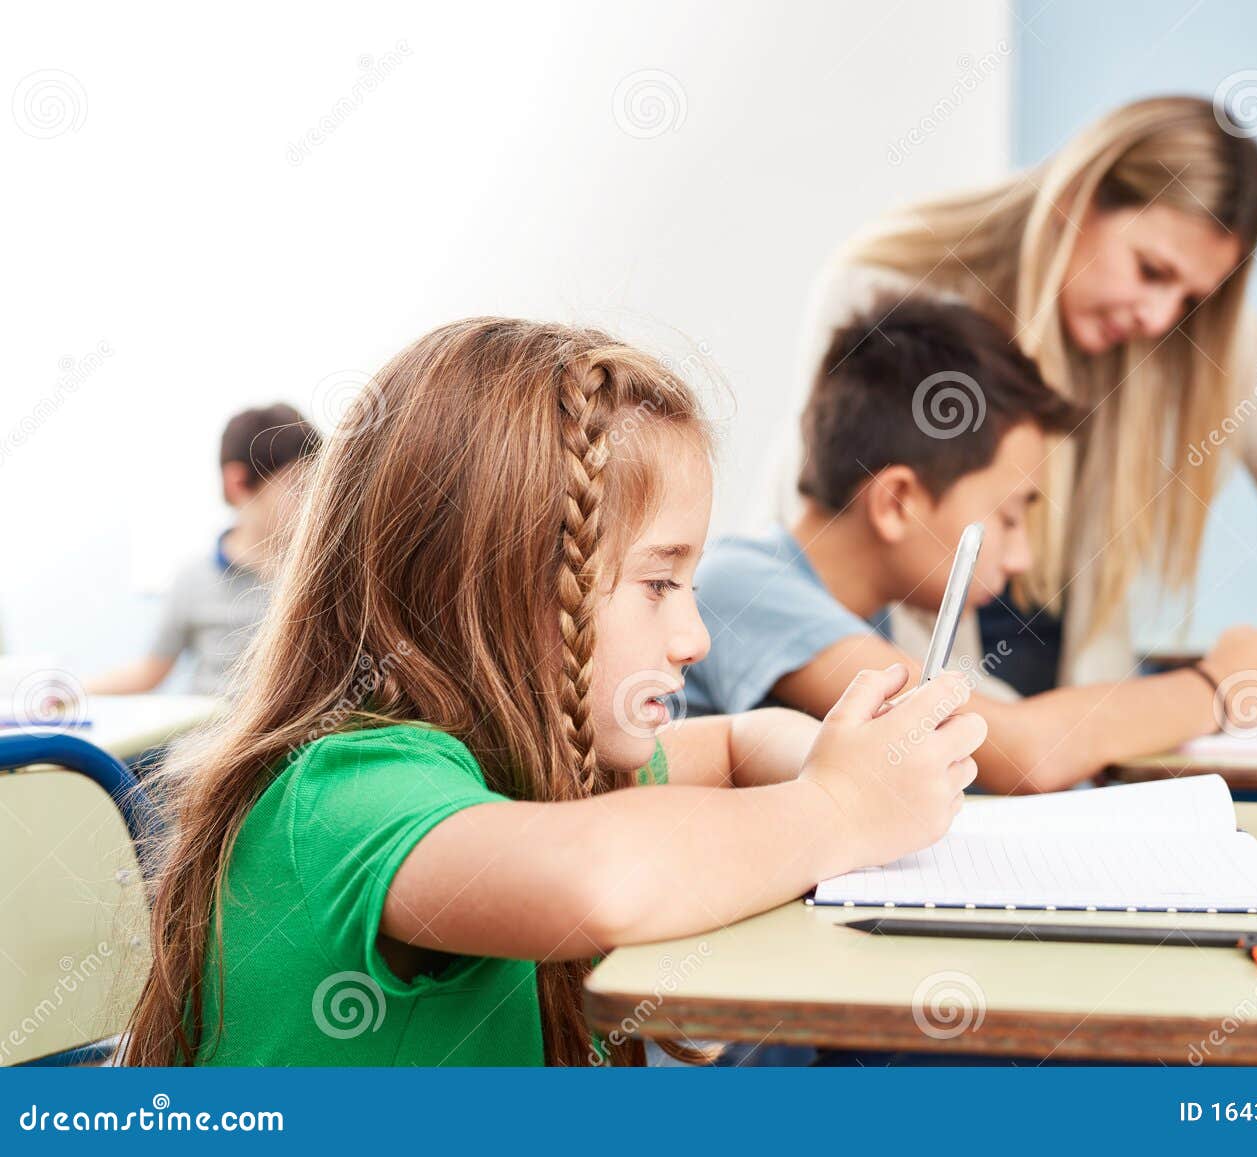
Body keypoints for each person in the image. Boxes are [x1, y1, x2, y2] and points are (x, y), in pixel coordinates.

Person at [122, 318, 984, 1066]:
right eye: (658, 583)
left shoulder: (528, 768)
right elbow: (598, 880)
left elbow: (734, 743)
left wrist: (842, 768)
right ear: (498, 589)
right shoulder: (347, 789)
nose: (695, 639)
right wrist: (839, 809)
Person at [779, 95, 1257, 701]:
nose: (1162, 317)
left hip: (1058, 699)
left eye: (1191, 299)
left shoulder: (1195, 328)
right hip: (892, 664)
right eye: (1151, 271)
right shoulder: (887, 288)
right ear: (1075, 199)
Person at [689, 297, 1257, 793]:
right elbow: (1021, 751)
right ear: (897, 502)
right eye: (1009, 518)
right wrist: (1221, 684)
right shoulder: (742, 588)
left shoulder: (863, 622)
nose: (1021, 560)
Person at [88, 404, 321, 696]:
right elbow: (149, 672)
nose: (314, 500)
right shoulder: (193, 578)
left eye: (319, 485)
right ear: (237, 483)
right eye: (299, 484)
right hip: (208, 734)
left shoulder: (320, 576)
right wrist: (69, 694)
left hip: (287, 733)